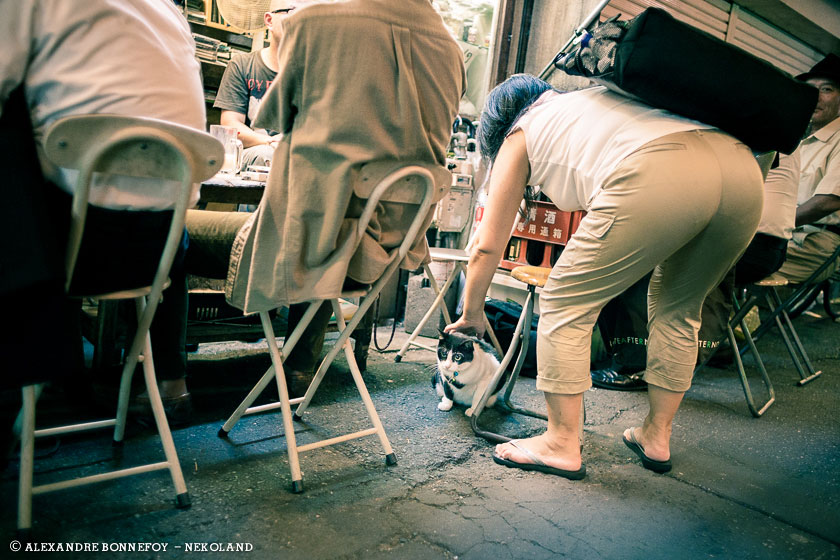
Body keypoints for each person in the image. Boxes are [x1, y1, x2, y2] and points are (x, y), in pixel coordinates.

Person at [445, 74, 763, 478]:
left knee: (564, 300)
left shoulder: (521, 133)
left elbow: (487, 246)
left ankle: (560, 442)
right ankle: (656, 436)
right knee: (678, 307)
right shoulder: (590, 102)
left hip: (664, 166)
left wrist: (472, 312)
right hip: (742, 171)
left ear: (498, 122)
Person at [184, 0, 466, 395]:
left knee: (173, 226)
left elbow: (269, 119)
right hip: (385, 253)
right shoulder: (451, 51)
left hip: (307, 245)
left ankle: (161, 384)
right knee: (332, 220)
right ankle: (300, 368)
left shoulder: (316, 23)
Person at [0, 0, 205, 420]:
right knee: (177, 233)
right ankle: (170, 385)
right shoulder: (170, 12)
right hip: (155, 257)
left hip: (56, 256)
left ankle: (47, 381)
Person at [590, 149, 800, 391]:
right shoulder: (766, 129)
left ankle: (636, 364)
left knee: (641, 257)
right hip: (760, 241)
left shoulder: (740, 137)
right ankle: (698, 350)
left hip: (752, 242)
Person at [775, 54, 840, 285]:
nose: (816, 97)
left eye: (827, 89)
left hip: (813, 241)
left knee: (724, 260)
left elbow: (829, 201)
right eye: (811, 90)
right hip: (782, 235)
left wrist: (776, 221)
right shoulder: (801, 137)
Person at [212, 0, 293, 170]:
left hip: (296, 154)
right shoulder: (242, 65)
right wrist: (270, 142)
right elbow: (230, 124)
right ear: (269, 20)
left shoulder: (312, 72)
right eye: (290, 12)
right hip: (254, 152)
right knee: (271, 155)